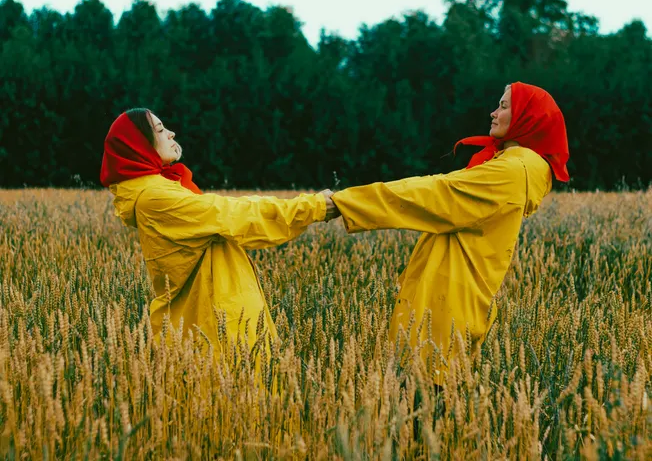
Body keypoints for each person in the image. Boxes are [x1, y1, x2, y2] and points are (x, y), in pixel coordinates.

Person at [331, 82, 569, 385]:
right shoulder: (504, 166)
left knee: (425, 400)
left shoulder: (509, 172)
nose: (493, 113)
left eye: (504, 106)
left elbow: (437, 194)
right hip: (445, 297)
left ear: (527, 118)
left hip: (446, 305)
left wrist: (346, 202)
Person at [100, 108, 339, 352]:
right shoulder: (156, 198)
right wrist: (314, 207)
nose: (171, 133)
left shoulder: (161, 191)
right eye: (160, 130)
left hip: (216, 315)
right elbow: (235, 214)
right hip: (215, 323)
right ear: (139, 147)